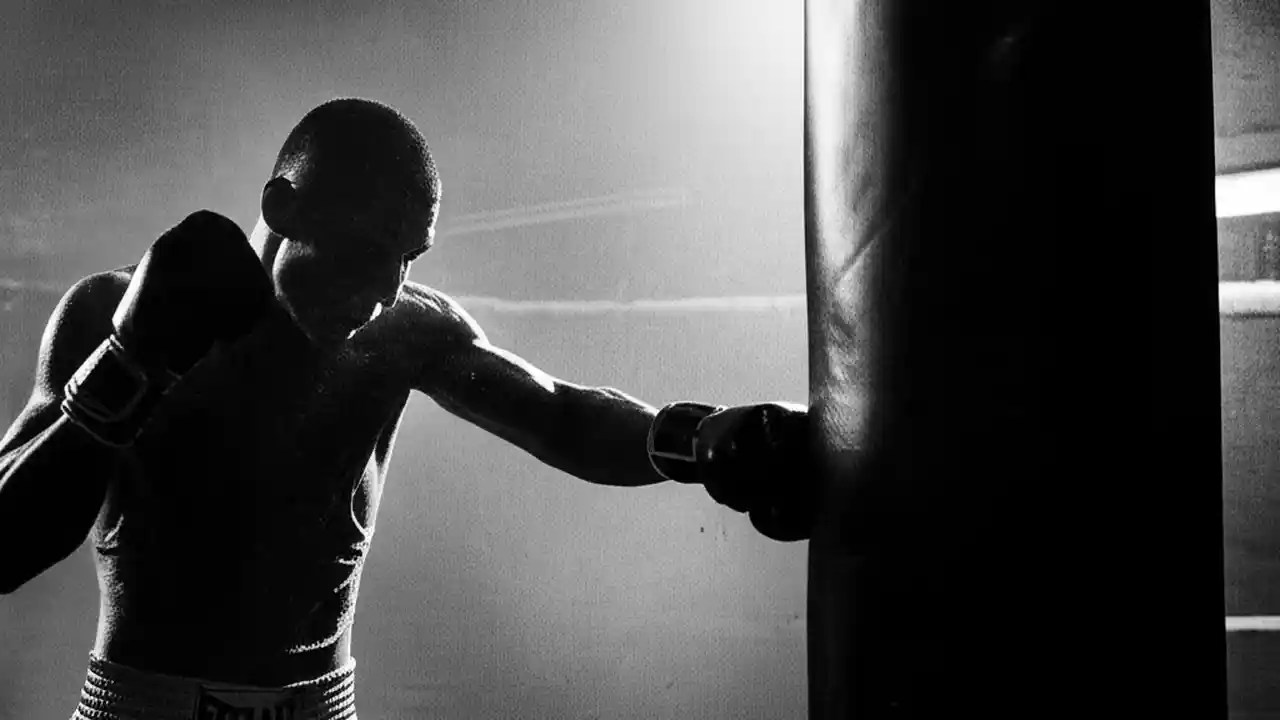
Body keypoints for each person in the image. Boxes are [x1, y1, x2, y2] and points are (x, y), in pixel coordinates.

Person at [0, 98, 811, 719]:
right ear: (283, 209)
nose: (386, 288)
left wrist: (694, 442)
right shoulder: (109, 312)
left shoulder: (406, 334)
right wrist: (129, 362)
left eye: (406, 256)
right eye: (363, 249)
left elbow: (559, 415)